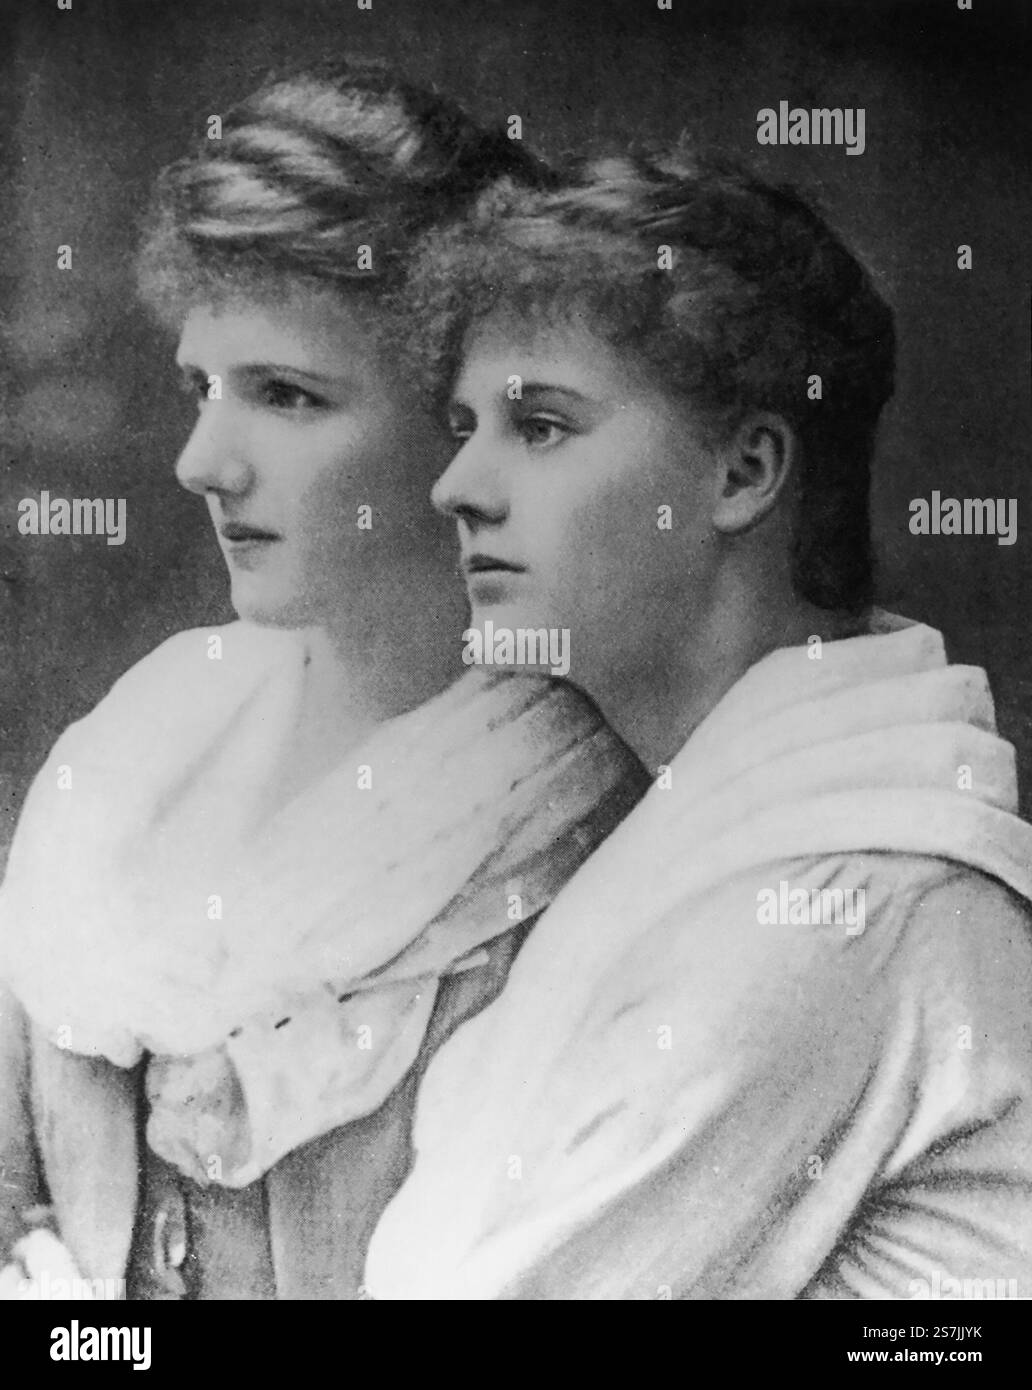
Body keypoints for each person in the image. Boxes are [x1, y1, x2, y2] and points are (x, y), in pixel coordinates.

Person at [0, 64, 648, 1301]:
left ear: (462, 422)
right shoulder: (139, 746)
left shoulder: (588, 821)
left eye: (287, 396)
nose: (202, 461)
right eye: (203, 388)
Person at [363, 148, 1032, 1299]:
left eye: (541, 426)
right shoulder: (720, 821)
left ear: (745, 469)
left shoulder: (836, 900)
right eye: (463, 425)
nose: (455, 486)